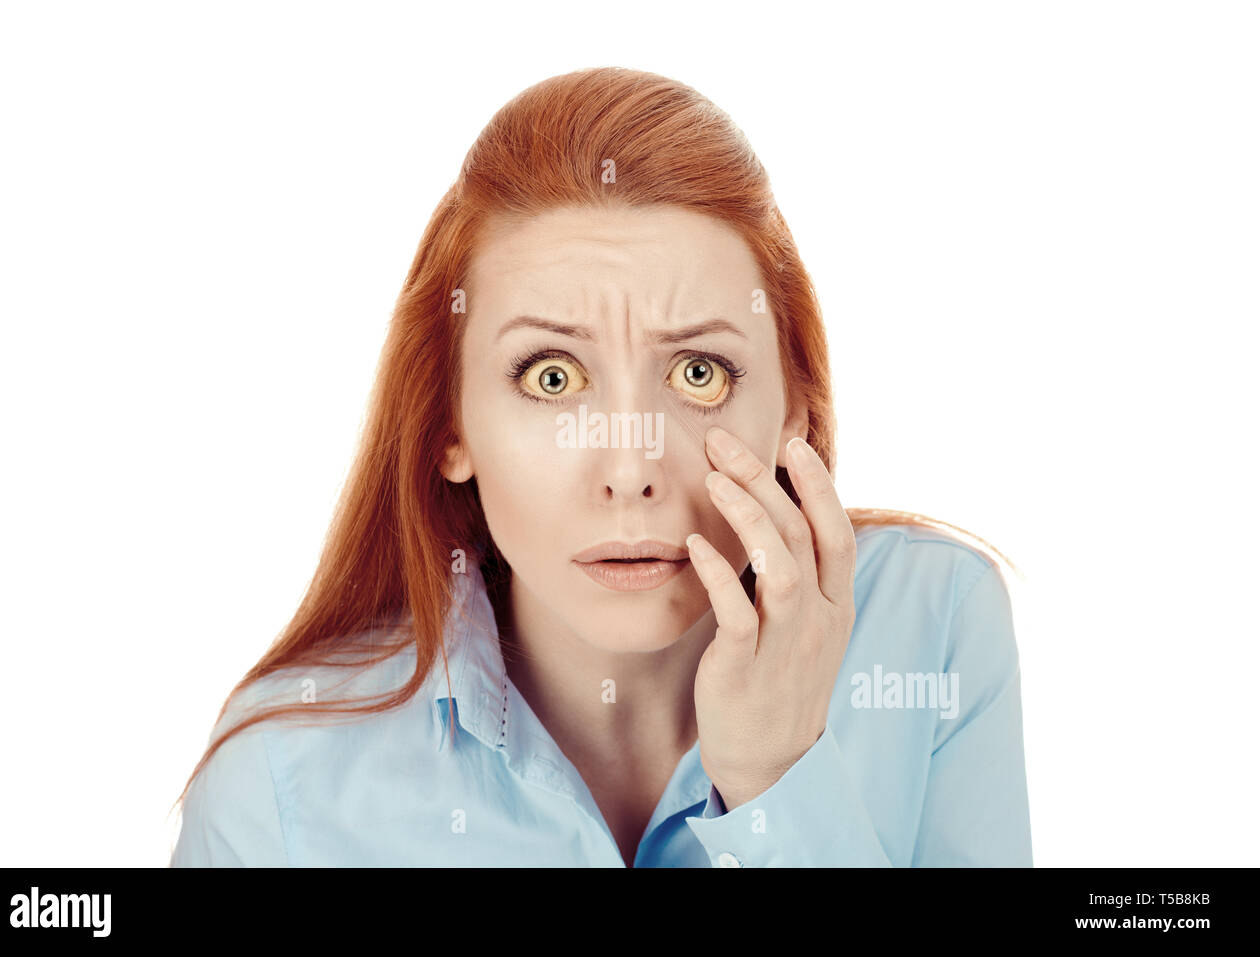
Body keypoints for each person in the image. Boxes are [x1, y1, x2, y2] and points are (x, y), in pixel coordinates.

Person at [169, 67, 1031, 867]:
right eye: (552, 377)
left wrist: (779, 779)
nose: (629, 467)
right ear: (448, 424)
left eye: (699, 373)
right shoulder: (278, 789)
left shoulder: (935, 624)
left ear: (795, 408)